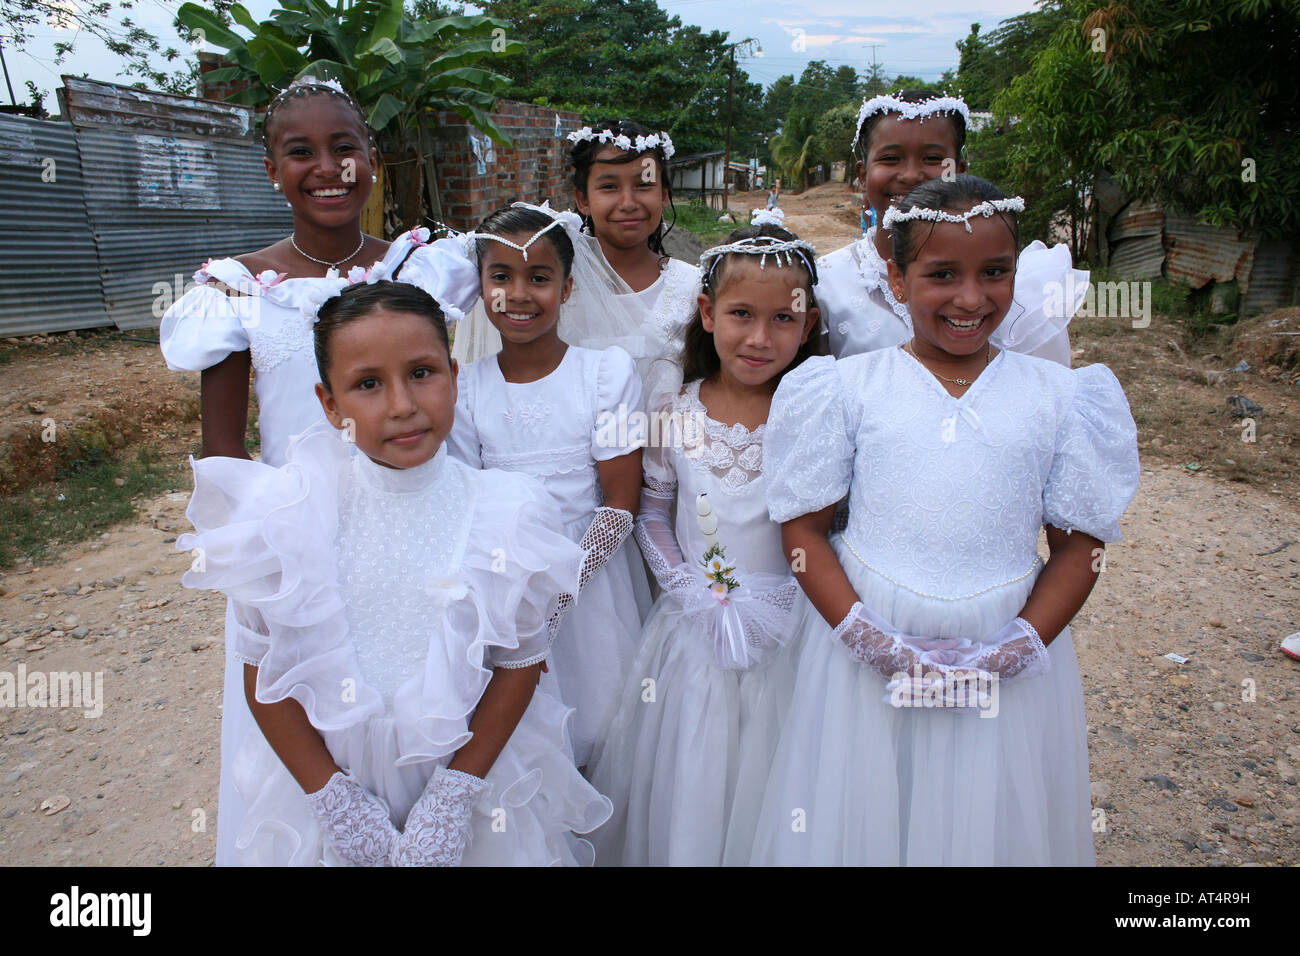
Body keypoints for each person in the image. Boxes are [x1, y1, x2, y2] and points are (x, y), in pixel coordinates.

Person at [744, 175, 1140, 865]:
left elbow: (1082, 548)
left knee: (987, 822)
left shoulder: (1061, 396)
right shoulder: (844, 387)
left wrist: (1016, 646)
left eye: (995, 272)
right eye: (941, 274)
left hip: (1004, 639)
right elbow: (803, 533)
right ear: (896, 279)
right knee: (861, 810)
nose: (970, 297)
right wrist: (869, 639)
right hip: (865, 640)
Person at [176, 279, 611, 865]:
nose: (403, 404)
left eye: (423, 373)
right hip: (331, 777)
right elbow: (261, 666)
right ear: (330, 404)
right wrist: (333, 800)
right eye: (368, 384)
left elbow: (520, 660)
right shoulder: (284, 515)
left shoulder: (510, 510)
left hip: (471, 776)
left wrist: (456, 796)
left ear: (454, 376)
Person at [158, 76, 478, 865]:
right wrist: (268, 575)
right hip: (302, 554)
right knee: (318, 733)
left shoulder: (425, 268)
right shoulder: (235, 291)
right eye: (301, 152)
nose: (327, 167)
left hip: (421, 532)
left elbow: (456, 404)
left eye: (345, 147)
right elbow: (227, 455)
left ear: (372, 159)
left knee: (423, 713)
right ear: (272, 169)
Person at [588, 216, 824, 865]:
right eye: (742, 313)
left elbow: (832, 524)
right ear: (708, 313)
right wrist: (696, 591)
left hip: (792, 630)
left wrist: (798, 600)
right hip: (696, 632)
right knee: (696, 770)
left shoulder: (814, 413)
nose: (759, 336)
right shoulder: (677, 411)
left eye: (784, 319)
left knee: (779, 778)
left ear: (808, 326)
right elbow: (654, 512)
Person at [446, 203, 651, 769]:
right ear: (480, 285)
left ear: (567, 287)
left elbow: (619, 504)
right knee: (519, 746)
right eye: (501, 277)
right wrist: (515, 601)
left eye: (539, 277)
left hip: (588, 585)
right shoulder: (465, 388)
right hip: (501, 592)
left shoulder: (607, 373)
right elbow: (466, 499)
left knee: (599, 729)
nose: (519, 293)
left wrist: (558, 593)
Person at [814, 90, 1082, 366]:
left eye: (932, 159)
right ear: (862, 174)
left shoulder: (1010, 283)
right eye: (890, 159)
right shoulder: (826, 282)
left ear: (960, 171)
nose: (911, 175)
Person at [452, 120, 700, 383]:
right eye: (609, 187)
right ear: (583, 199)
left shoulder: (692, 286)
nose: (628, 203)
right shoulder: (550, 281)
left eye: (643, 185)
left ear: (664, 196)